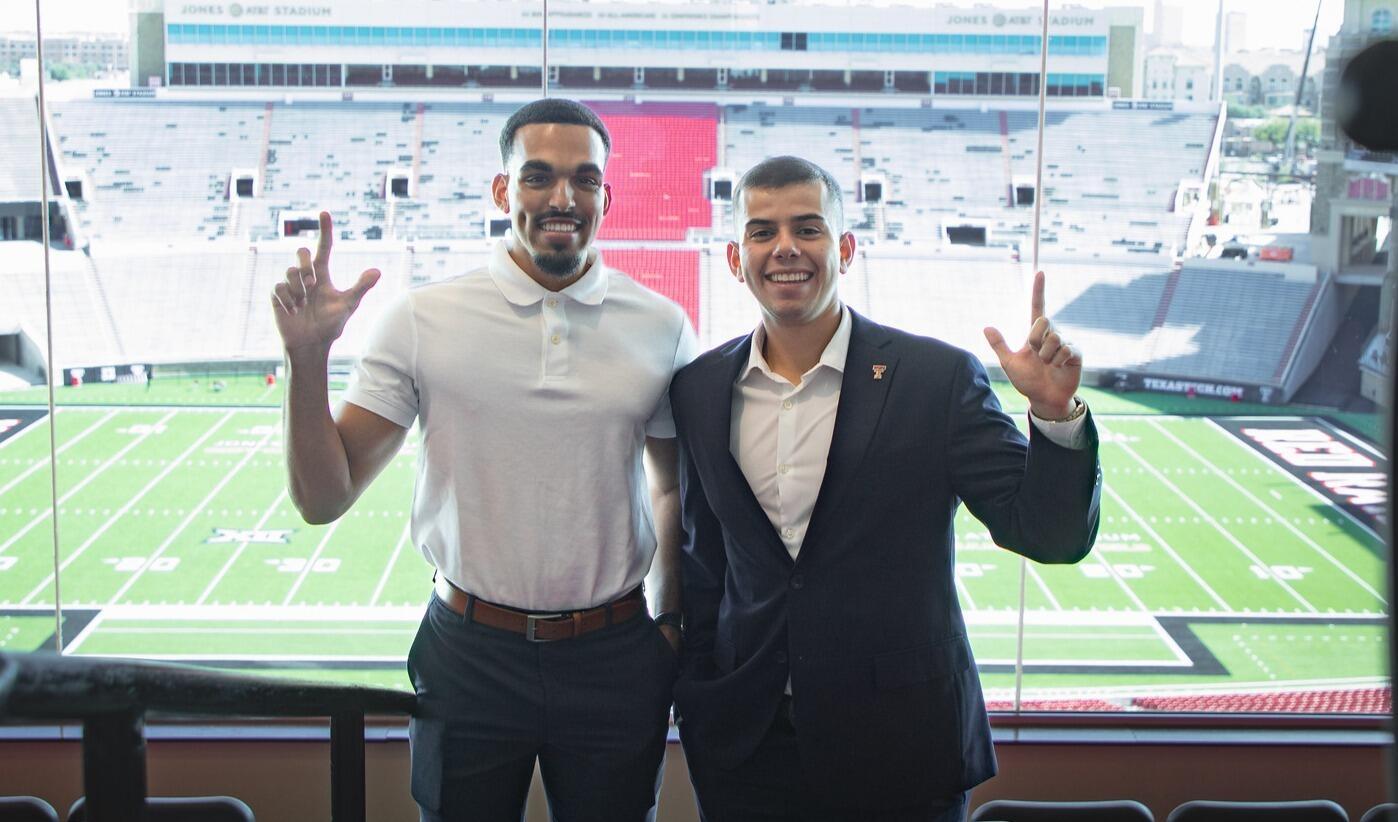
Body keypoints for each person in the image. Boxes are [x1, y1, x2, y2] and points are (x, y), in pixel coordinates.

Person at [271, 98, 697, 822]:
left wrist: (672, 622)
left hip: (614, 654)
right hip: (470, 653)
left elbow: (670, 490)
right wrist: (307, 358)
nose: (562, 198)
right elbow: (323, 498)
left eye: (584, 180)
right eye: (538, 177)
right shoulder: (423, 319)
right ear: (503, 191)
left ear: (604, 196)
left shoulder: (660, 324)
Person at [669, 156, 1101, 821]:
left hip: (901, 749)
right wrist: (701, 694)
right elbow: (705, 569)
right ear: (734, 257)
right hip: (748, 753)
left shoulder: (935, 379)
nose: (785, 247)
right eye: (762, 232)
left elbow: (1049, 534)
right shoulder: (698, 390)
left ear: (844, 248)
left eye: (807, 229)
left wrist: (1053, 416)